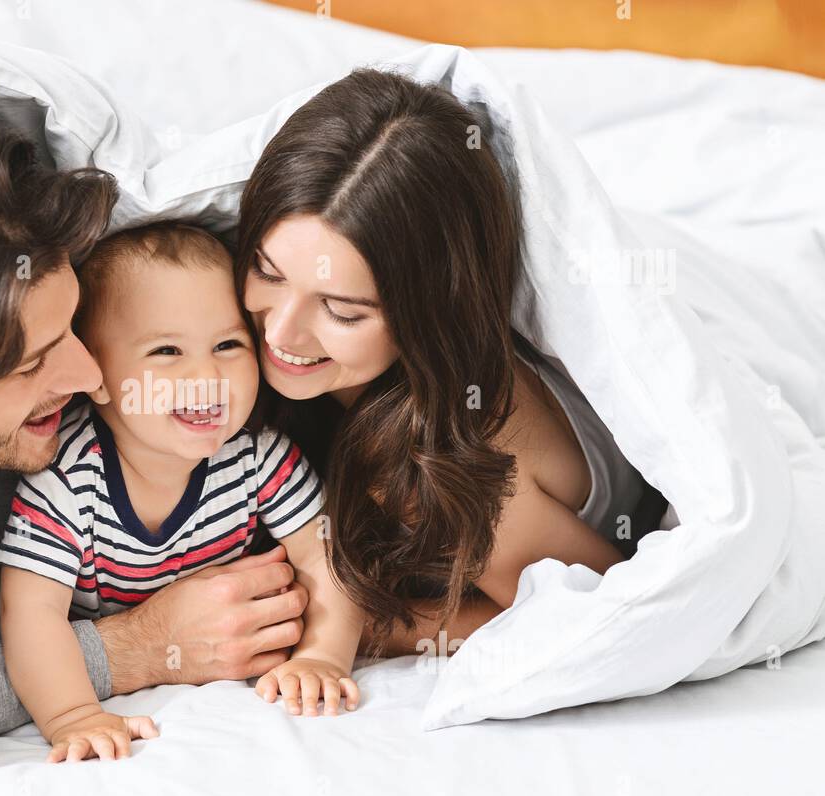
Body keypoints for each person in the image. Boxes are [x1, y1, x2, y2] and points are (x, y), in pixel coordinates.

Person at [0, 95, 310, 753]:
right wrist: (141, 646)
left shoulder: (130, 422)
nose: (90, 378)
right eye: (32, 363)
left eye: (72, 328)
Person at [234, 67, 655, 658]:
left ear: (425, 317)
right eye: (267, 272)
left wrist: (327, 624)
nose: (279, 331)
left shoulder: (459, 465)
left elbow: (604, 605)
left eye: (343, 311)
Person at [0, 222, 364, 762]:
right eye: (167, 350)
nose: (205, 374)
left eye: (228, 344)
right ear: (95, 375)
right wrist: (73, 714)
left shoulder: (256, 454)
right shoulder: (68, 482)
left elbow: (327, 556)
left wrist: (323, 657)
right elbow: (29, 614)